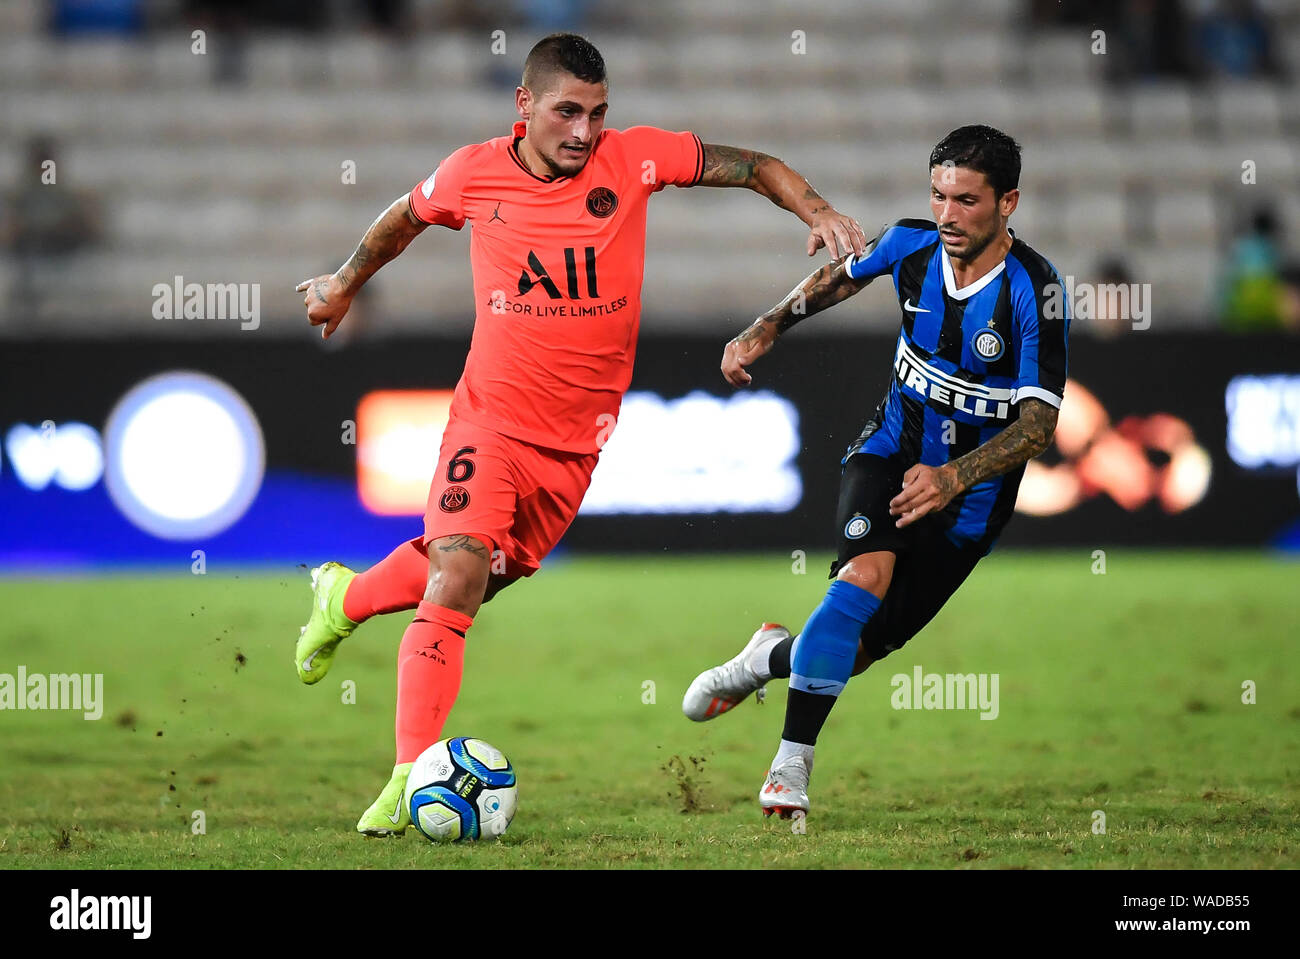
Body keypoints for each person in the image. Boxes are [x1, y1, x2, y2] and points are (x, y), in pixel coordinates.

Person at [293, 32, 866, 836]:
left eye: (598, 113)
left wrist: (817, 209)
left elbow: (754, 164)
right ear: (523, 105)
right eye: (567, 111)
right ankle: (407, 775)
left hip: (576, 445)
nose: (584, 131)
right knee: (456, 574)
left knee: (473, 582)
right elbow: (405, 215)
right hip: (487, 421)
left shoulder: (633, 161)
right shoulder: (474, 172)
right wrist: (344, 282)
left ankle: (343, 594)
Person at [682, 125, 1069, 819]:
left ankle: (766, 657)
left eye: (968, 200)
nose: (948, 214)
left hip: (968, 505)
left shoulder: (1033, 291)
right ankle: (788, 771)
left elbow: (1039, 426)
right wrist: (765, 328)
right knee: (859, 579)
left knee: (852, 650)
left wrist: (953, 477)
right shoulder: (911, 246)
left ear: (1008, 201)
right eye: (938, 195)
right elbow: (837, 279)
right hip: (887, 454)